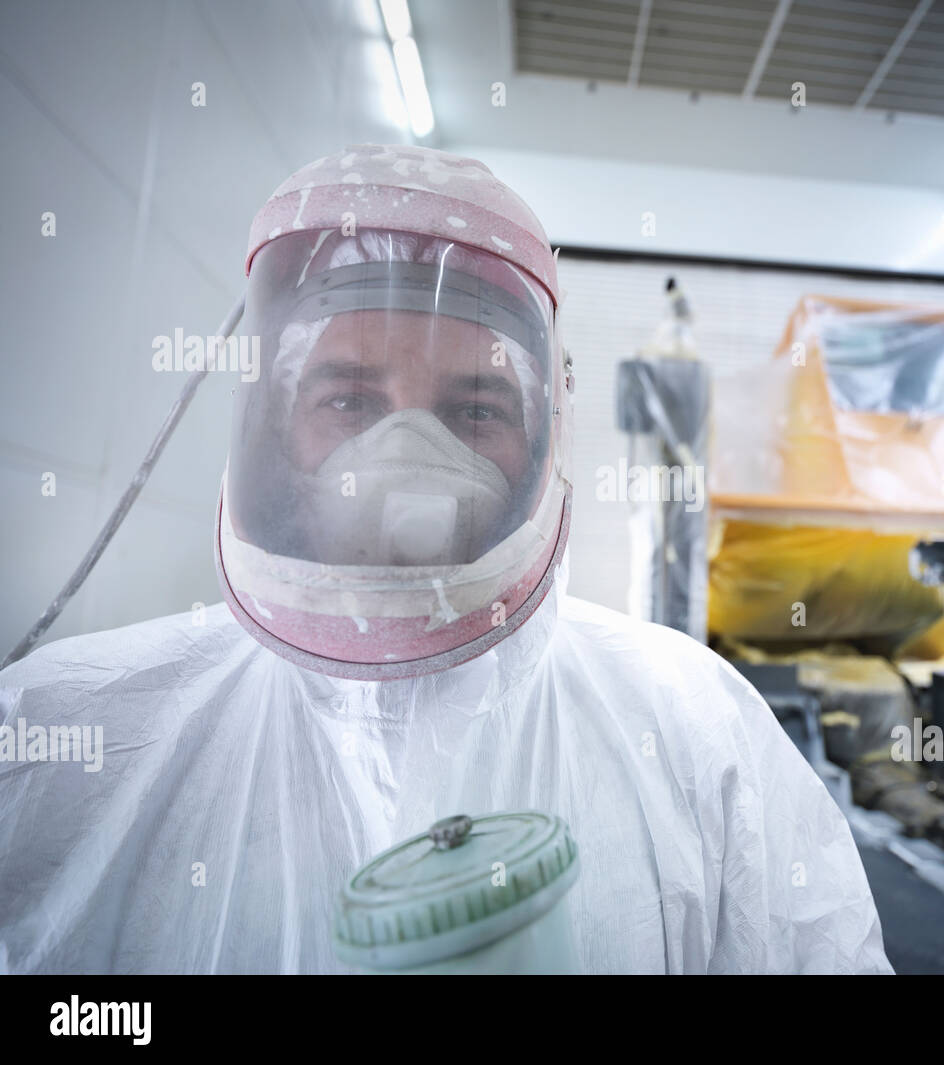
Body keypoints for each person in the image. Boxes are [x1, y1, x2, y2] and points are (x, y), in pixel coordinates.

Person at [0, 144, 891, 975]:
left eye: (475, 411)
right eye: (351, 399)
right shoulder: (65, 742)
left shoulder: (697, 732)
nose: (405, 458)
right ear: (271, 426)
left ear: (547, 436)